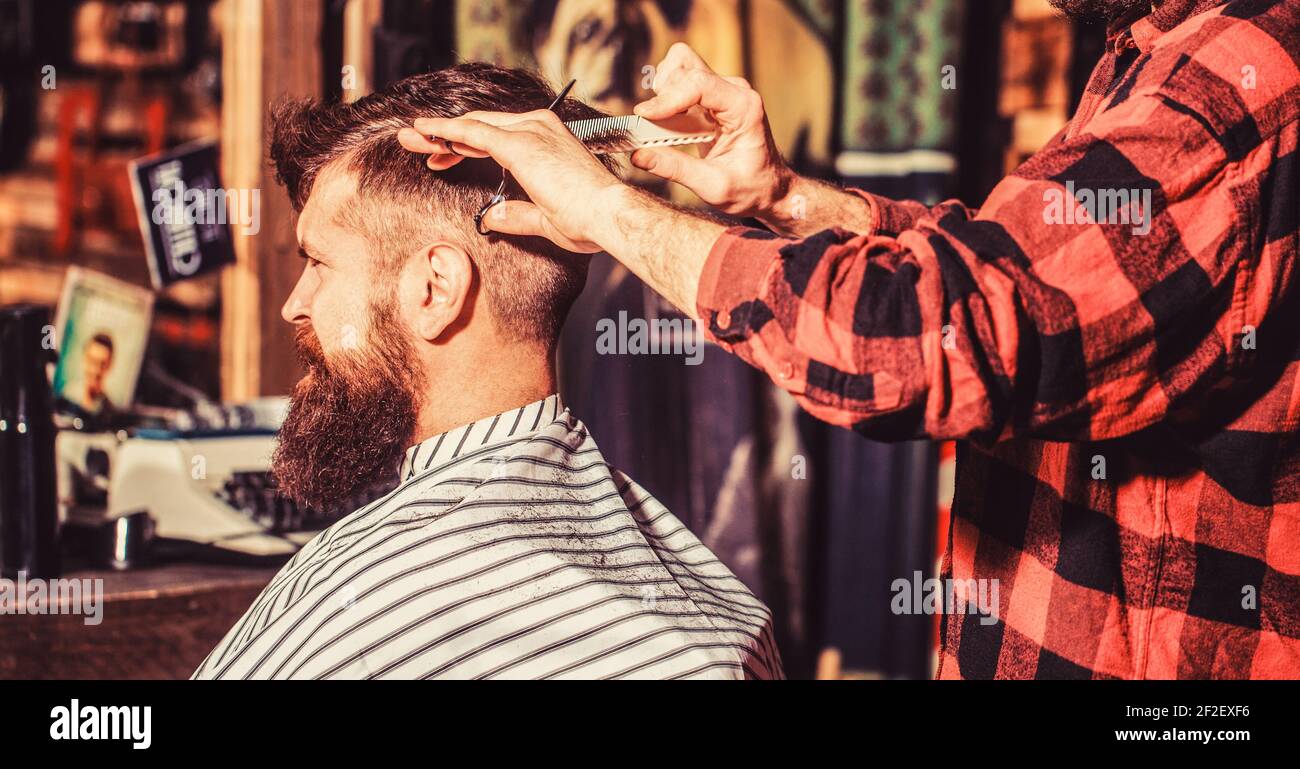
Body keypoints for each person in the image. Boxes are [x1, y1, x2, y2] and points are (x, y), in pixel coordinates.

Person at [401, 0, 1300, 678]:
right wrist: (782, 200)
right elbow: (1013, 270)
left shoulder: (1235, 83)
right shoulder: (1151, 57)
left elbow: (913, 338)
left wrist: (603, 203)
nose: (299, 306)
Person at [193, 64, 782, 680]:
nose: (296, 303)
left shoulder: (352, 609)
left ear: (435, 289)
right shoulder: (722, 621)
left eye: (319, 260)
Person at [79, 332, 115, 414]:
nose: (95, 370)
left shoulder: (109, 412)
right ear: (84, 359)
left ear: (109, 366)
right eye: (92, 361)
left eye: (102, 364)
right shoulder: (68, 395)